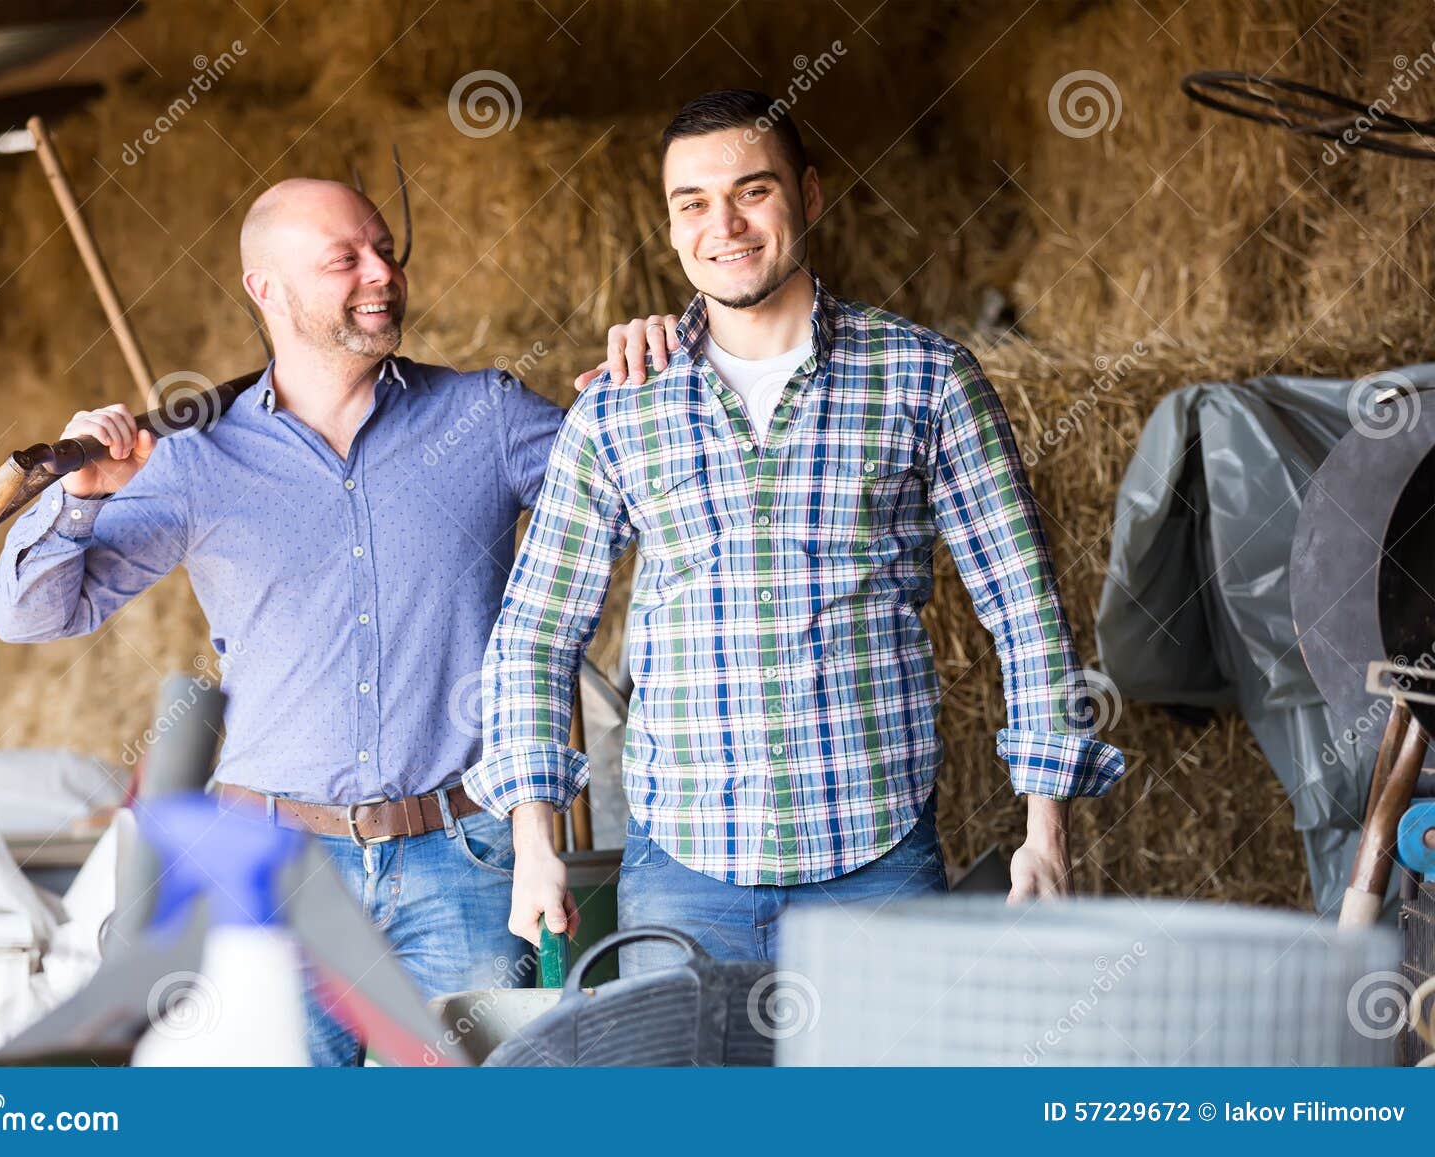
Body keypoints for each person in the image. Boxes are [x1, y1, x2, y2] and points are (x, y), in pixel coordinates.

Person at [0, 178, 672, 1062]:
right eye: (343, 258)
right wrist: (76, 499)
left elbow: (654, 502)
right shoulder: (200, 461)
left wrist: (643, 394)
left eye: (385, 248)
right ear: (264, 287)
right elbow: (32, 614)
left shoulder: (486, 416)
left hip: (461, 863)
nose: (381, 272)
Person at [466, 91, 1128, 975]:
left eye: (753, 191)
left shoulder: (926, 379)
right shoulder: (619, 406)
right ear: (669, 227)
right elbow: (537, 630)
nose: (724, 225)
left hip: (877, 861)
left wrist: (1047, 829)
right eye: (692, 203)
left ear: (809, 197)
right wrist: (536, 839)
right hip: (684, 871)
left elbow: (1024, 605)